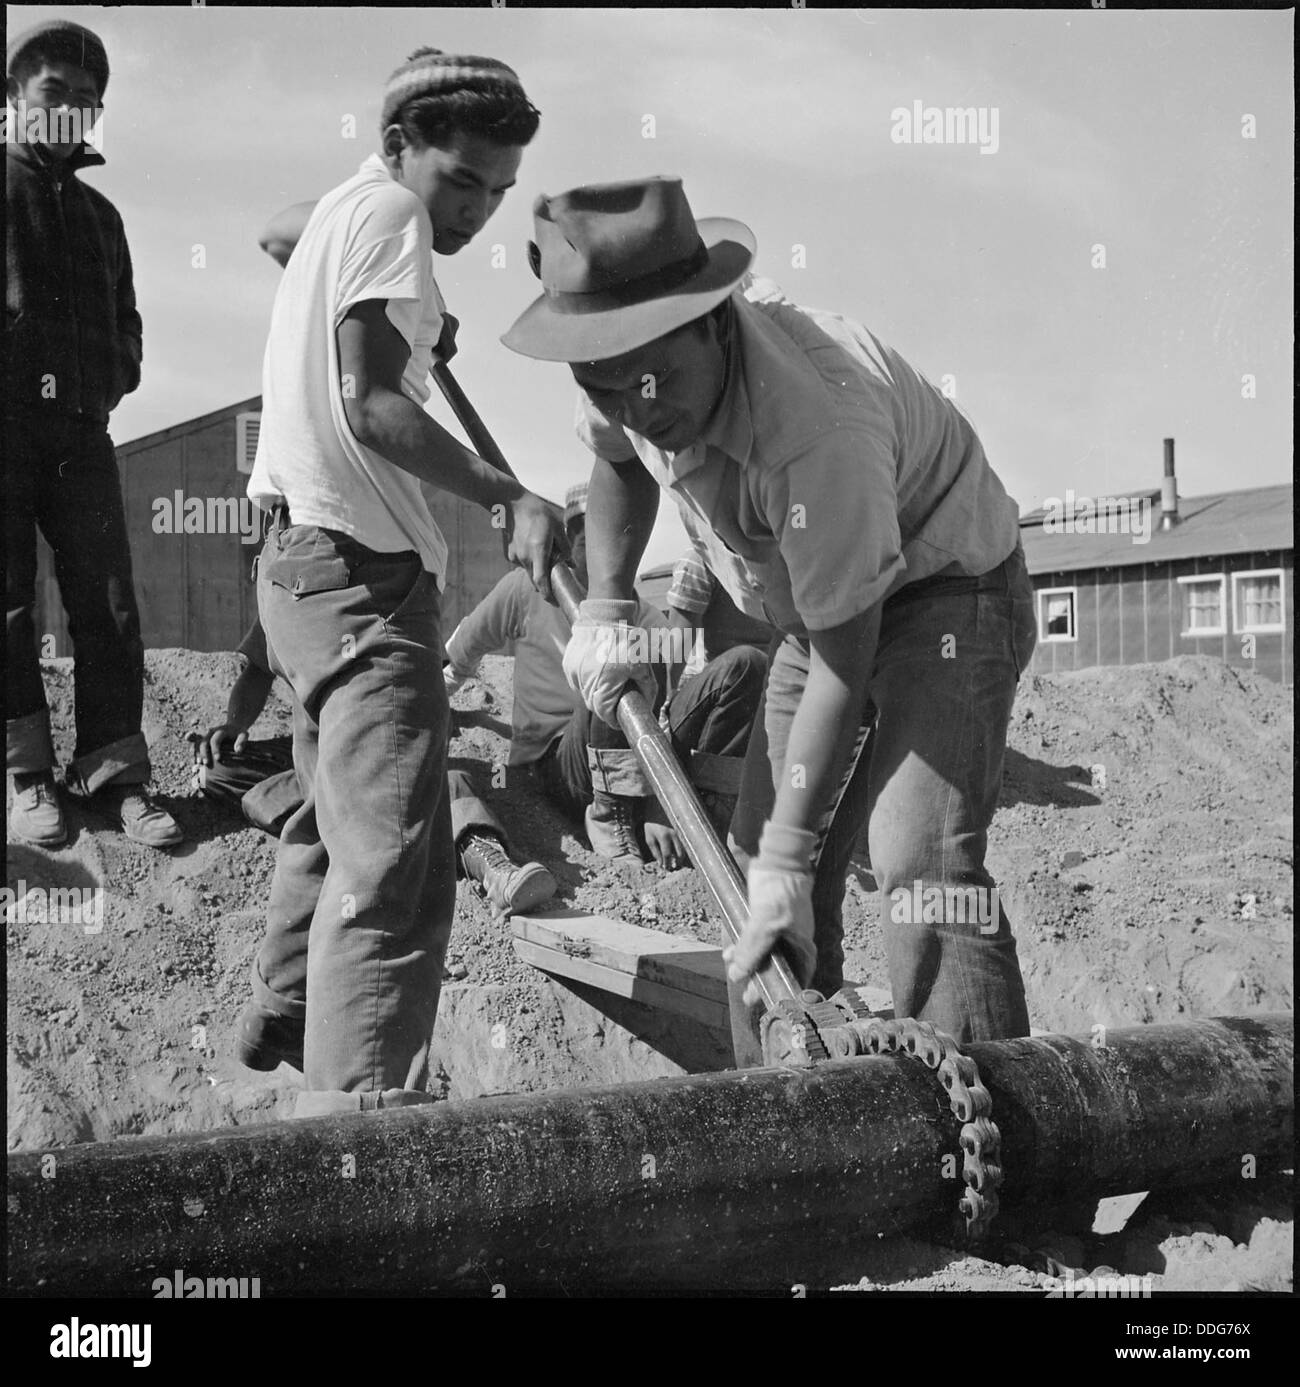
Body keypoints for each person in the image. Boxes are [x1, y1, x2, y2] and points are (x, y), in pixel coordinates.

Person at [503, 177, 1035, 1043]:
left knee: (918, 865)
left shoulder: (816, 426)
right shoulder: (625, 368)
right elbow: (618, 461)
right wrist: (606, 605)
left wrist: (797, 852)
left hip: (948, 593)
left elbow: (843, 657)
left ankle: (998, 1143)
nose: (639, 409)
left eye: (652, 380)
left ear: (716, 321)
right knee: (752, 879)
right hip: (815, 613)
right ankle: (807, 1115)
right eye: (604, 387)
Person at [238, 47, 567, 1116]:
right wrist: (507, 497)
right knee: (401, 862)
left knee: (335, 813)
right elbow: (373, 403)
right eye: (460, 179)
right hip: (360, 571)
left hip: (294, 574)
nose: (473, 209)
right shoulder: (393, 220)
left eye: (498, 191)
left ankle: (291, 1002)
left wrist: (416, 312)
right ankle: (356, 1141)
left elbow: (280, 233)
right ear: (398, 148)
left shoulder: (348, 210)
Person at [5, 19, 183, 850]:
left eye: (86, 101)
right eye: (54, 93)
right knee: (7, 601)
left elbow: (128, 323)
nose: (69, 111)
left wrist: (111, 376)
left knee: (109, 604)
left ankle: (114, 777)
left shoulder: (102, 216)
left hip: (82, 431)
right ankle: (27, 774)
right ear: (14, 97)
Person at [444, 483, 767, 865]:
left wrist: (658, 803)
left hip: (634, 751)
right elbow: (461, 654)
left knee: (747, 664)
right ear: (568, 543)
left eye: (609, 542)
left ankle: (706, 812)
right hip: (558, 763)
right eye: (584, 541)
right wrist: (435, 705)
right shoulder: (523, 591)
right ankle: (609, 815)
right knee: (612, 658)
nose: (595, 554)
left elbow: (663, 710)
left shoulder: (644, 616)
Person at [191, 615, 557, 922]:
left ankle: (491, 865)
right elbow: (257, 669)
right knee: (217, 769)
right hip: (317, 752)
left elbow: (425, 692)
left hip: (382, 744)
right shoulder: (284, 588)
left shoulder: (384, 585)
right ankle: (348, 814)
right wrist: (235, 724)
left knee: (444, 783)